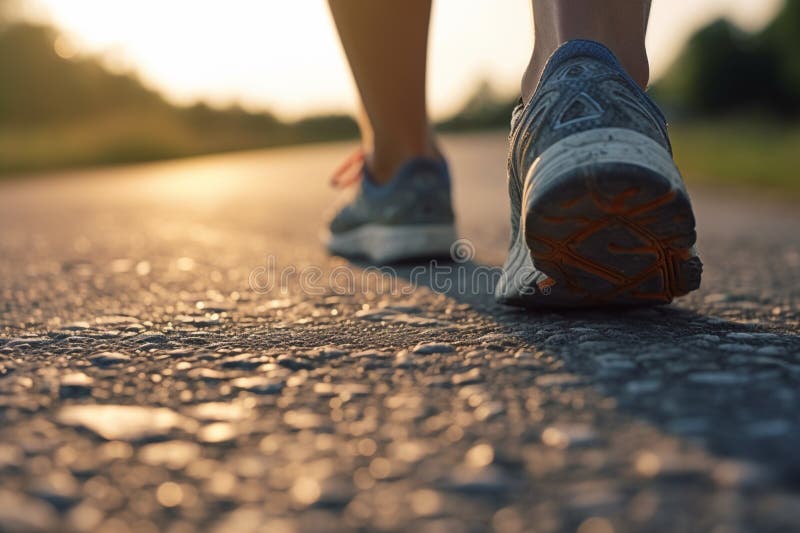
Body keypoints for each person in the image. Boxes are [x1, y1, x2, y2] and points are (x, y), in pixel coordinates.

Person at [323, 0, 702, 308]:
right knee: (592, 49)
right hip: (621, 110)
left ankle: (399, 167)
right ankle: (602, 89)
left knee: (400, 155)